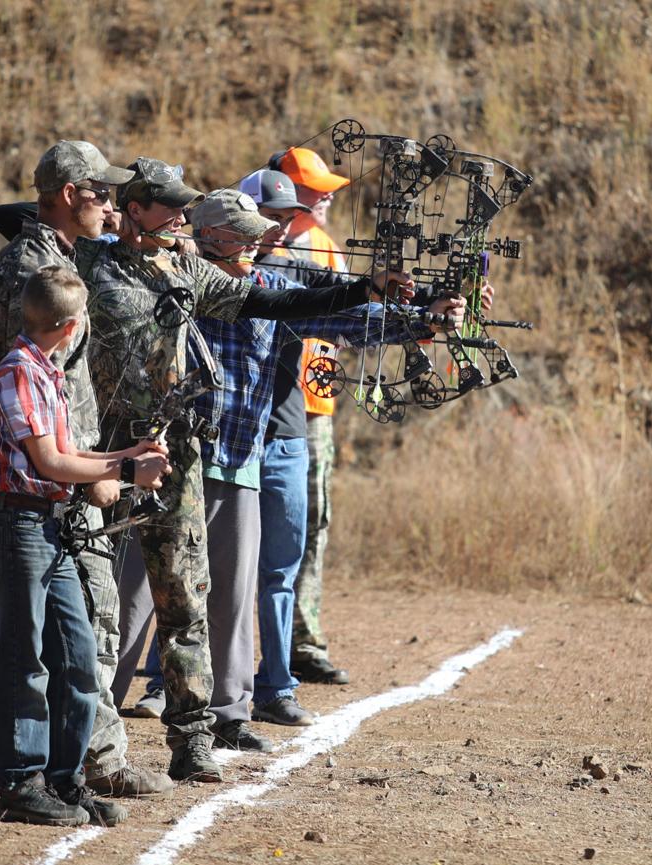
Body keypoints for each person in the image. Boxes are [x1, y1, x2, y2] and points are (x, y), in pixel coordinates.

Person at [77, 157, 409, 781]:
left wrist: (412, 313)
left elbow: (318, 311)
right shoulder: (153, 273)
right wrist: (119, 228)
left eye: (268, 233)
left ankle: (218, 721)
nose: (267, 242)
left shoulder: (231, 283)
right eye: (251, 235)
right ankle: (96, 712)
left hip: (221, 462)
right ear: (213, 237)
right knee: (129, 594)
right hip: (143, 460)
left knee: (212, 596)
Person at [186, 188, 464, 746]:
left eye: (281, 221)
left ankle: (254, 697)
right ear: (219, 232)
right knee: (176, 582)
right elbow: (316, 303)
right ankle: (138, 700)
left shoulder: (284, 277)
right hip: (193, 453)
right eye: (260, 224)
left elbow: (346, 317)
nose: (273, 232)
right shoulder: (193, 279)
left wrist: (424, 317)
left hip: (262, 447)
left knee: (262, 576)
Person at [0, 140, 174, 800]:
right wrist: (88, 471)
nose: (111, 204)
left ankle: (84, 757)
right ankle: (23, 764)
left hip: (73, 468)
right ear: (66, 195)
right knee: (22, 629)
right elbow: (21, 387)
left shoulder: (62, 257)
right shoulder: (26, 267)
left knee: (84, 616)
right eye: (101, 193)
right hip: (42, 477)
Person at [268, 148, 352, 686]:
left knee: (310, 524)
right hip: (262, 408)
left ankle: (303, 641)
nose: (325, 196)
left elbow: (353, 321)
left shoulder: (325, 248)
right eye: (313, 187)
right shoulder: (251, 244)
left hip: (314, 409)